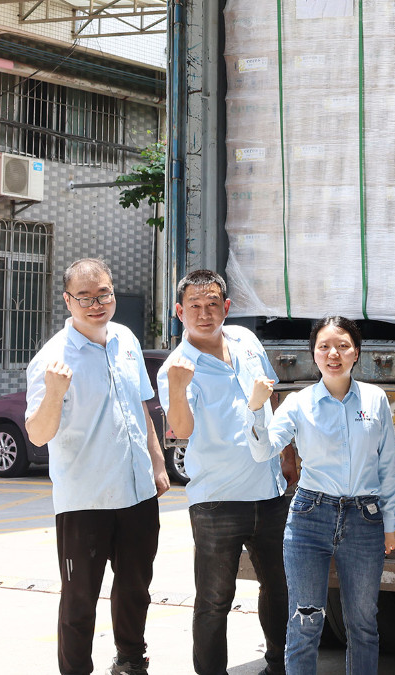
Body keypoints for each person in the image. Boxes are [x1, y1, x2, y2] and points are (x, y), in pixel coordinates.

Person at [25, 258, 170, 675]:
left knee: (135, 589)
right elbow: (37, 433)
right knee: (79, 598)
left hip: (137, 492)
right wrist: (54, 392)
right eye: (84, 297)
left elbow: (141, 407)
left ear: (112, 292)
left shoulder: (124, 339)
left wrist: (157, 463)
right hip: (85, 499)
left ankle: (130, 659)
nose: (95, 304)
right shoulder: (52, 358)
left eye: (103, 293)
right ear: (67, 300)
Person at [158, 269, 299, 675]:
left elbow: (268, 399)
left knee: (279, 587)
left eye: (213, 304)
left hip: (269, 492)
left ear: (226, 307)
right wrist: (178, 389)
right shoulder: (176, 367)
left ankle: (278, 666)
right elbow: (181, 431)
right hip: (217, 502)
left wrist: (286, 454)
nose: (205, 314)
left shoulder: (247, 341)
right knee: (215, 599)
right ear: (180, 311)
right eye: (195, 307)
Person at [244, 316, 395, 675]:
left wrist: (390, 525)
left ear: (356, 353)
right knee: (305, 623)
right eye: (324, 347)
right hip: (310, 518)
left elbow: (387, 469)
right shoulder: (299, 403)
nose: (334, 354)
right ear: (313, 355)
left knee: (362, 624)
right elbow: (262, 450)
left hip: (365, 519)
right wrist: (256, 407)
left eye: (343, 346)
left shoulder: (375, 400)